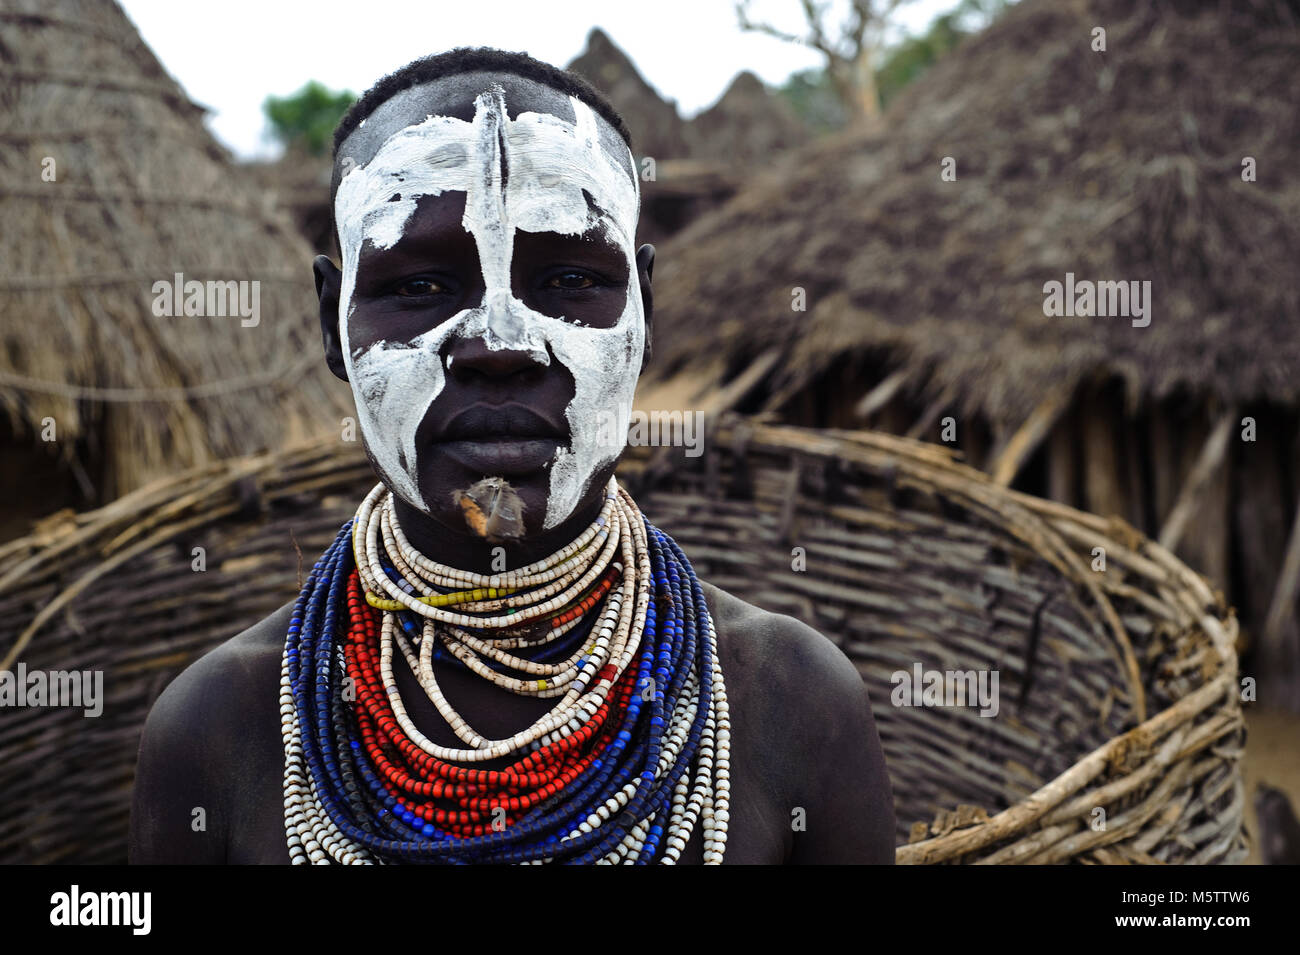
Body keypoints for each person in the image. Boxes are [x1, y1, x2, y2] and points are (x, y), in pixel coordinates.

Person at [129, 47, 895, 864]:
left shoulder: (791, 702)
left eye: (569, 279)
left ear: (644, 311)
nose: (500, 344)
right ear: (332, 323)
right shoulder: (220, 726)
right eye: (419, 287)